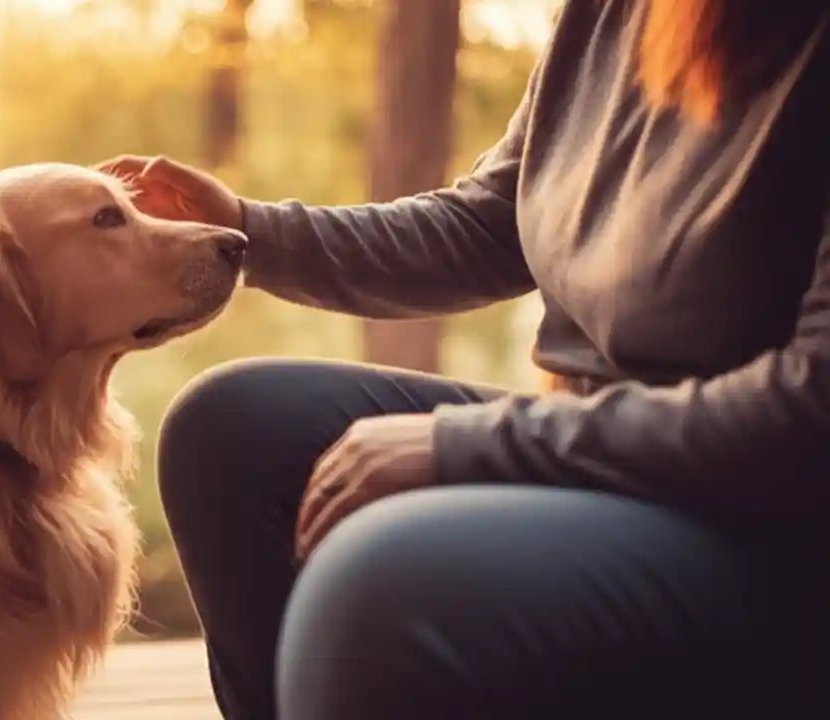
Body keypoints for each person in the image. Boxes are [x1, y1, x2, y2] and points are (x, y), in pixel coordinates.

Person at [99, 0, 830, 718]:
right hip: (608, 456)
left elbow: (809, 414)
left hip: (765, 525)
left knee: (380, 586)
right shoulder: (607, 14)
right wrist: (249, 230)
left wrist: (469, 447)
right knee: (229, 433)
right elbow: (494, 220)